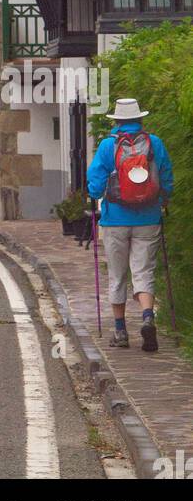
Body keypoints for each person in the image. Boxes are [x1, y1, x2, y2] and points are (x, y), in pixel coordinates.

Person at [87, 97, 173, 352]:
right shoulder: (154, 144)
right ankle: (147, 316)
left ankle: (120, 330)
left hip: (115, 220)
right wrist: (163, 200)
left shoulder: (107, 146)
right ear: (140, 119)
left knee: (117, 274)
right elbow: (166, 178)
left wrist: (95, 196)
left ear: (117, 121)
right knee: (143, 271)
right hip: (148, 218)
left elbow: (95, 182)